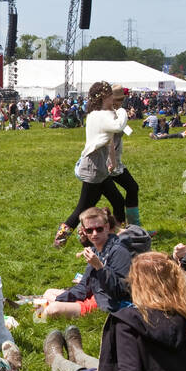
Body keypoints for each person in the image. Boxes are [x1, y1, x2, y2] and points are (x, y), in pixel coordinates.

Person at [53, 82, 139, 249]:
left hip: (99, 167)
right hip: (93, 167)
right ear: (105, 97)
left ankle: (117, 236)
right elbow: (118, 126)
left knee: (117, 200)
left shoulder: (97, 114)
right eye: (110, 95)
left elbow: (110, 141)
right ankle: (61, 238)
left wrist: (112, 162)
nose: (114, 99)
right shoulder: (101, 115)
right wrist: (122, 110)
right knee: (83, 207)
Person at [36, 208, 133, 320]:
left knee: (52, 309)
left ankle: (39, 316)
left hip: (106, 302)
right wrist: (63, 298)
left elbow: (120, 293)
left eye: (99, 229)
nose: (94, 234)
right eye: (89, 231)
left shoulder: (119, 251)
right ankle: (37, 319)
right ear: (84, 231)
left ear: (106, 227)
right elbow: (84, 286)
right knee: (48, 293)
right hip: (94, 294)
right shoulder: (95, 249)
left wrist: (99, 267)